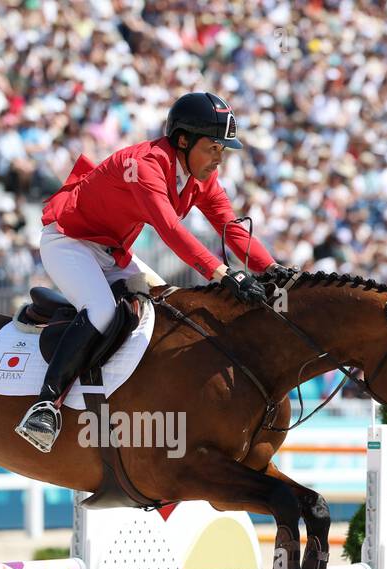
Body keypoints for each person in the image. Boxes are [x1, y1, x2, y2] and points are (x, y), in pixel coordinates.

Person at [15, 91, 296, 452]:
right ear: (184, 140)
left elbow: (232, 230)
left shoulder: (200, 179)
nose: (219, 159)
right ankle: (45, 407)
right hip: (69, 243)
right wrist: (224, 274)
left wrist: (273, 269)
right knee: (102, 311)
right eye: (213, 148)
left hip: (111, 252)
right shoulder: (146, 165)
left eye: (222, 150)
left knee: (167, 307)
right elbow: (170, 231)